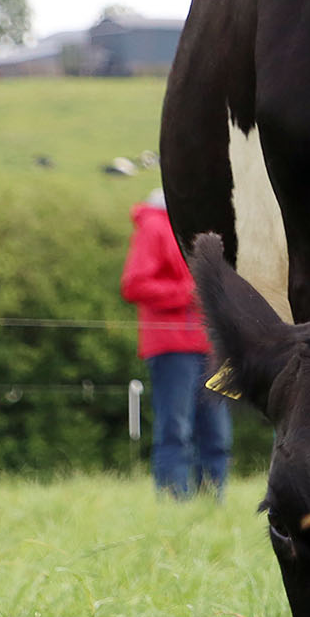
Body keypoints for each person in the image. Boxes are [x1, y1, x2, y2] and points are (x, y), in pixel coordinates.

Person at [120, 188, 231, 498]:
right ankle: (173, 502)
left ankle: (212, 504)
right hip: (172, 345)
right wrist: (191, 293)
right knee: (176, 430)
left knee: (217, 434)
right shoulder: (154, 226)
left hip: (211, 345)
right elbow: (134, 283)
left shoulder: (204, 230)